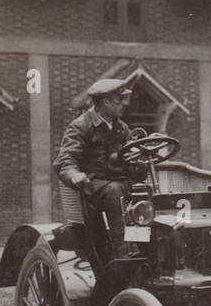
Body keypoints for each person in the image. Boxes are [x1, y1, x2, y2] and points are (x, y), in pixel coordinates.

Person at [53, 77, 147, 257]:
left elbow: (130, 158)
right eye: (121, 100)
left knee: (144, 194)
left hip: (118, 184)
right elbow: (65, 160)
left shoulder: (122, 127)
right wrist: (74, 175)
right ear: (105, 102)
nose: (125, 104)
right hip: (93, 187)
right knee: (115, 190)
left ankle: (143, 245)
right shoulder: (80, 126)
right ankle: (125, 253)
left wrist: (139, 162)